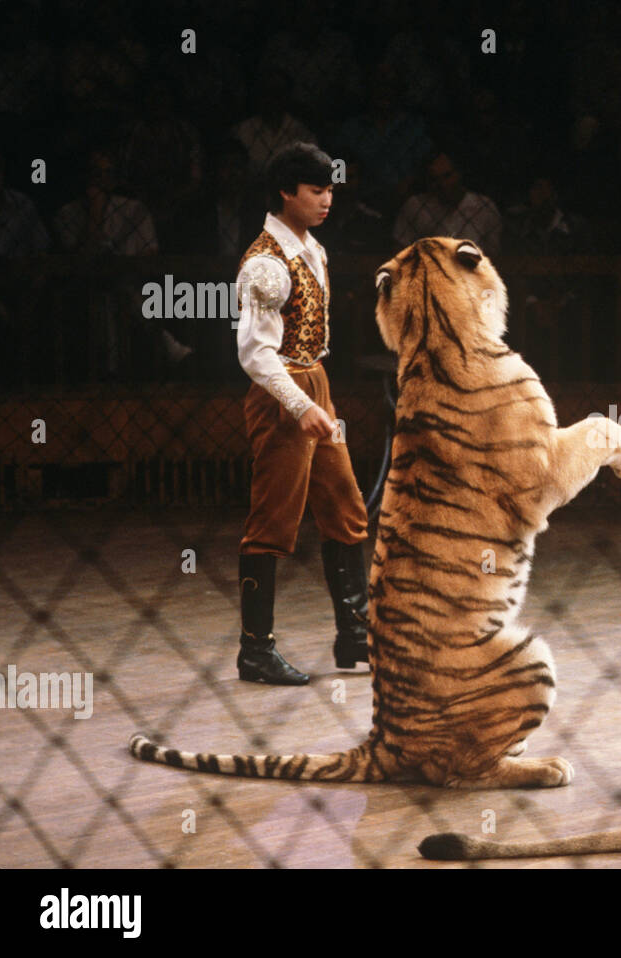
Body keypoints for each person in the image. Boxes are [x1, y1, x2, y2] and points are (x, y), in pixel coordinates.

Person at [234, 141, 371, 685]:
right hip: (281, 392)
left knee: (346, 507)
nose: (326, 199)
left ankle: (354, 636)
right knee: (272, 523)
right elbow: (254, 354)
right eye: (316, 190)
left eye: (330, 189)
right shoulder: (266, 264)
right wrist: (302, 404)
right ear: (286, 192)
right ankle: (255, 650)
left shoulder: (313, 249)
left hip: (315, 380)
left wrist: (318, 398)